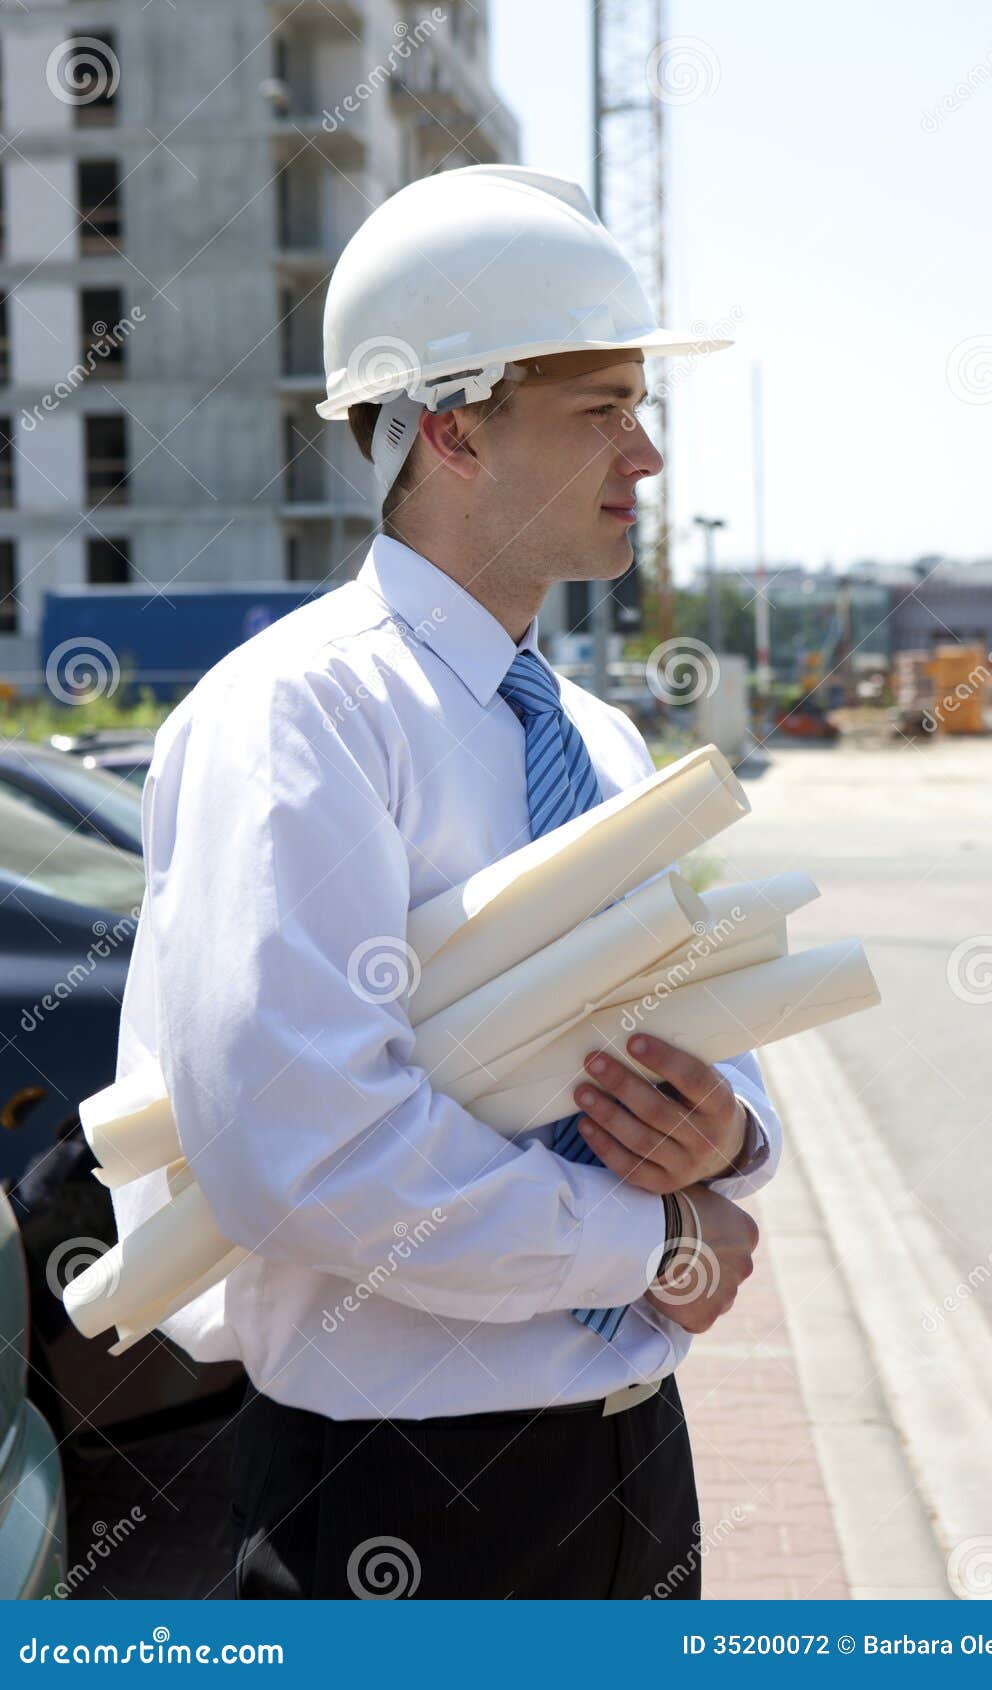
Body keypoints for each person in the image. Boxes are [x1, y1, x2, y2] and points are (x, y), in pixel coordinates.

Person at [109, 165, 782, 1600]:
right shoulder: (298, 717)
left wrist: (725, 1134)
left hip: (632, 1467)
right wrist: (653, 1241)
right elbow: (310, 1153)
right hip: (402, 1507)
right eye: (603, 409)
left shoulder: (595, 737)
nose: (648, 454)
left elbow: (698, 1021)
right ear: (456, 428)